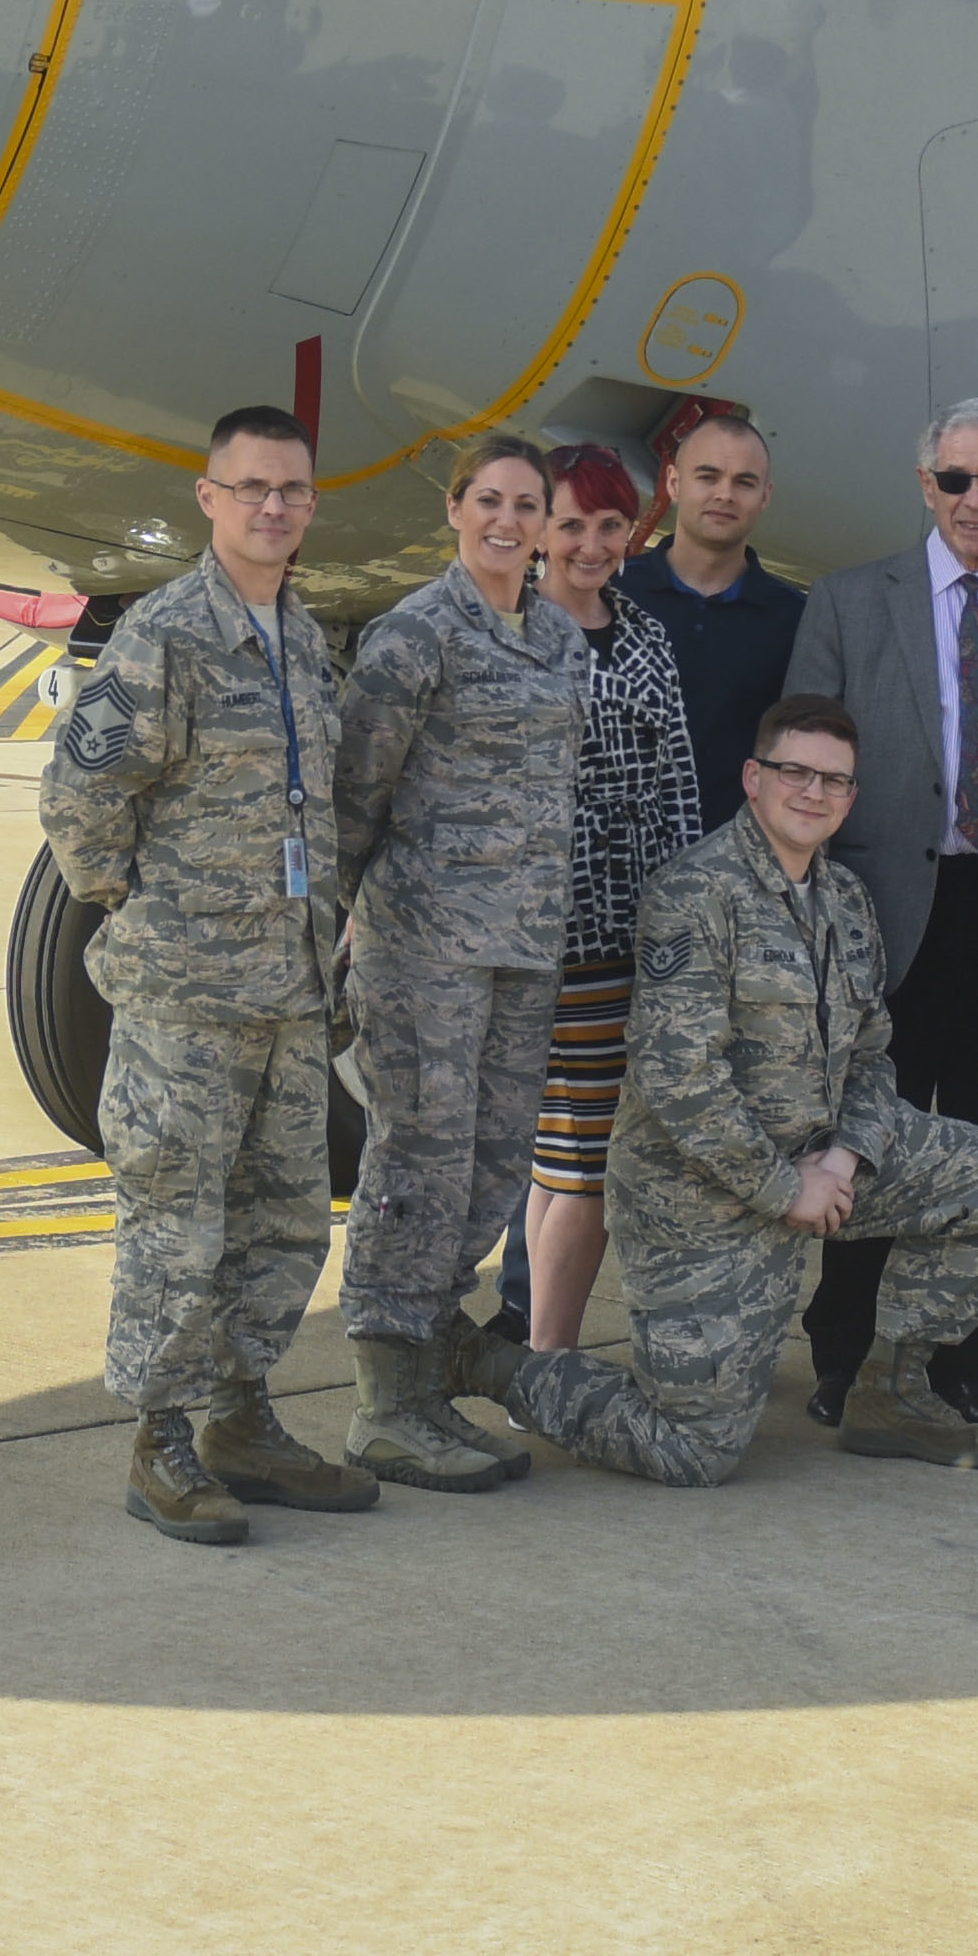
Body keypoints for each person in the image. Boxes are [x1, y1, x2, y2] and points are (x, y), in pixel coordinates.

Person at [500, 697, 978, 1480]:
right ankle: (489, 1367)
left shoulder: (846, 900)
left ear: (851, 798)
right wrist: (785, 1188)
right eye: (795, 772)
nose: (814, 793)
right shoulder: (696, 892)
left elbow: (874, 1054)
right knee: (696, 1451)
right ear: (754, 778)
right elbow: (681, 1080)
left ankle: (891, 1392)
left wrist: (846, 1160)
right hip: (702, 1198)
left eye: (835, 781)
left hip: (818, 1169)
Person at [40, 404, 359, 1548]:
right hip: (186, 996)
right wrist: (145, 908)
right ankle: (161, 1441)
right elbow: (81, 799)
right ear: (208, 497)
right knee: (177, 1221)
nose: (273, 507)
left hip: (289, 991)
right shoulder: (166, 635)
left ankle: (242, 1417)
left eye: (292, 490)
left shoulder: (303, 638)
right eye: (252, 487)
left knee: (281, 1216)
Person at [771, 395, 978, 1430]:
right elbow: (798, 774)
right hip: (880, 913)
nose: (973, 499)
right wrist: (808, 916)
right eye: (954, 479)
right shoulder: (846, 602)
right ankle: (846, 1355)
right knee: (867, 1143)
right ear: (924, 485)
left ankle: (968, 1362)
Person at [316, 441, 571, 1495]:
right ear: (455, 510)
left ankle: (426, 1358)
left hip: (523, 943)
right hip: (424, 946)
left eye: (527, 506)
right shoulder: (415, 632)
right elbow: (353, 794)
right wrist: (345, 924)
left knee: (494, 1161)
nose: (507, 521)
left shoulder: (557, 634)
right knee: (417, 1158)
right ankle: (387, 1399)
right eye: (489, 502)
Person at [520, 436, 710, 1352]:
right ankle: (548, 1357)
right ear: (537, 531)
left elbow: (678, 788)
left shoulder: (644, 634)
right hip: (536, 928)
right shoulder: (507, 633)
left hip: (626, 929)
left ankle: (540, 1351)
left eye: (609, 525)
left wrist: (681, 930)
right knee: (575, 1161)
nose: (590, 546)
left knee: (573, 1158)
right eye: (570, 525)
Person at [620, 398, 806, 809]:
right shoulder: (611, 596)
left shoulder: (795, 620)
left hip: (726, 859)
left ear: (765, 495)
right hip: (612, 857)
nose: (725, 494)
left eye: (744, 482)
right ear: (673, 483)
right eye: (708, 476)